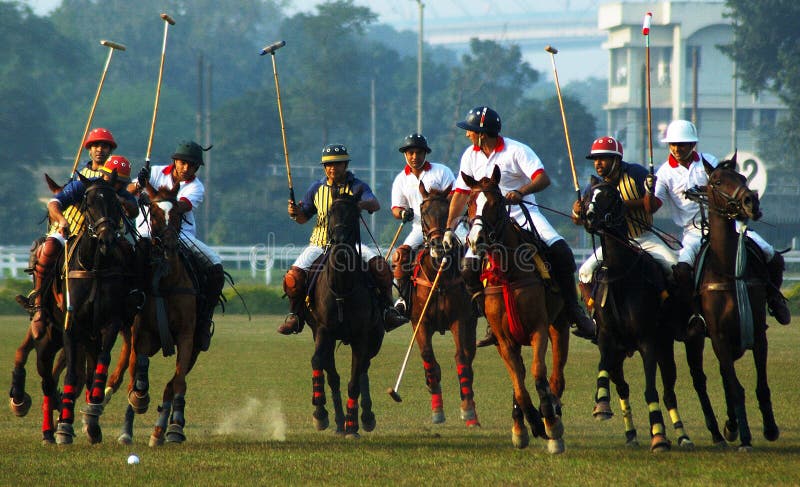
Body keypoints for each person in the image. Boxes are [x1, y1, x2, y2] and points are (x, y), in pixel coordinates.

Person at [443, 106, 596, 346]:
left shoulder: (516, 151)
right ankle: (491, 322)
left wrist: (520, 192)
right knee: (468, 268)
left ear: (482, 133)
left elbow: (542, 178)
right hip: (487, 220)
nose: (467, 135)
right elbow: (461, 194)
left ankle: (574, 310)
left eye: (470, 130)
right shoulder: (469, 156)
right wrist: (450, 227)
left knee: (562, 252)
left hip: (522, 212)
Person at [653, 119, 790, 326]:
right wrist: (648, 189)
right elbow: (654, 205)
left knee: (771, 254)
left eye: (681, 144)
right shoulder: (664, 172)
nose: (676, 149)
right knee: (681, 270)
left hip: (728, 225)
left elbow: (727, 184)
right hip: (693, 232)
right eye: (672, 144)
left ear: (692, 145)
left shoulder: (708, 161)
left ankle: (773, 297)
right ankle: (694, 314)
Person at [278, 143, 409, 335]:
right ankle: (295, 316)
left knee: (381, 267)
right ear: (324, 167)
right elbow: (303, 218)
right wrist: (294, 212)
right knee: (293, 278)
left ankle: (388, 310)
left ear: (345, 165)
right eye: (329, 165)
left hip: (351, 245)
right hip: (320, 244)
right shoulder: (316, 188)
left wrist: (359, 204)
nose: (333, 168)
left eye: (338, 164)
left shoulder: (357, 186)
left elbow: (375, 204)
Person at [26, 155, 138, 340]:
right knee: (50, 247)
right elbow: (54, 203)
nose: (119, 185)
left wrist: (119, 197)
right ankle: (39, 306)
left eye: (123, 182)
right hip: (70, 232)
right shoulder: (82, 185)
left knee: (130, 251)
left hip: (104, 236)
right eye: (116, 181)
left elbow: (133, 209)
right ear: (104, 175)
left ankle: (132, 299)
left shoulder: (121, 192)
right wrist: (61, 220)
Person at [130, 140, 225, 351]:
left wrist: (154, 201)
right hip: (146, 235)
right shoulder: (153, 172)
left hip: (180, 237)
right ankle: (126, 308)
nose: (187, 168)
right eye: (183, 163)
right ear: (175, 161)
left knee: (216, 266)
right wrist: (139, 183)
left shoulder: (195, 186)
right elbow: (127, 193)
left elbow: (182, 206)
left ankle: (203, 320)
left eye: (193, 165)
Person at [571, 136, 677, 310]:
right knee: (584, 273)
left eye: (602, 159)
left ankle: (677, 314)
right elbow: (578, 221)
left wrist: (623, 204)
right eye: (595, 159)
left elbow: (652, 206)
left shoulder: (635, 173)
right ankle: (595, 318)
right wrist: (576, 211)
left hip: (644, 238)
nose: (597, 163)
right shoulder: (593, 187)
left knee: (674, 268)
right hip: (614, 244)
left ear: (616, 160)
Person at [390, 133, 456, 314]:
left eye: (418, 152)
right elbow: (396, 208)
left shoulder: (441, 171)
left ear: (425, 153)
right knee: (399, 257)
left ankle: (478, 295)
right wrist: (403, 212)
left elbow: (456, 196)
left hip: (448, 225)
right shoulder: (401, 179)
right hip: (420, 228)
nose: (414, 156)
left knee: (472, 251)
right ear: (405, 154)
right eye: (410, 153)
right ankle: (403, 299)